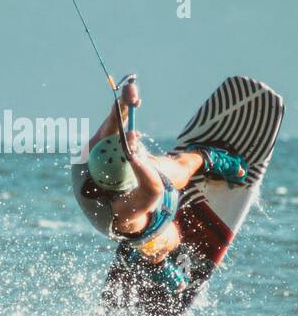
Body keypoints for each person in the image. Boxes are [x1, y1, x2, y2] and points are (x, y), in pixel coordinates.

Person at [78, 80, 251, 292]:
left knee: (180, 170)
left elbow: (115, 118)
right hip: (146, 225)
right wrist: (134, 158)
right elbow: (154, 190)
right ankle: (155, 264)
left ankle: (205, 157)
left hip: (133, 169)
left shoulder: (93, 152)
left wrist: (124, 102)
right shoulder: (122, 211)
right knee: (170, 241)